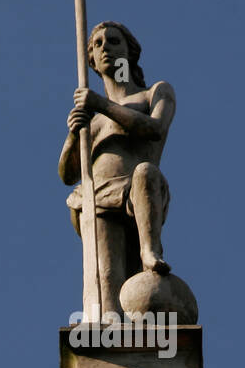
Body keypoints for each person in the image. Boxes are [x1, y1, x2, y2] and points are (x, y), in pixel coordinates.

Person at [59, 21, 175, 317]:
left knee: (145, 172)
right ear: (92, 62)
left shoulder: (154, 94)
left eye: (113, 41)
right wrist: (75, 132)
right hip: (97, 197)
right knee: (106, 285)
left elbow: (154, 129)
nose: (105, 47)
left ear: (130, 52)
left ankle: (150, 251)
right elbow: (66, 173)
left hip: (139, 190)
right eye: (97, 44)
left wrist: (101, 104)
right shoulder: (92, 118)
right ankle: (103, 335)